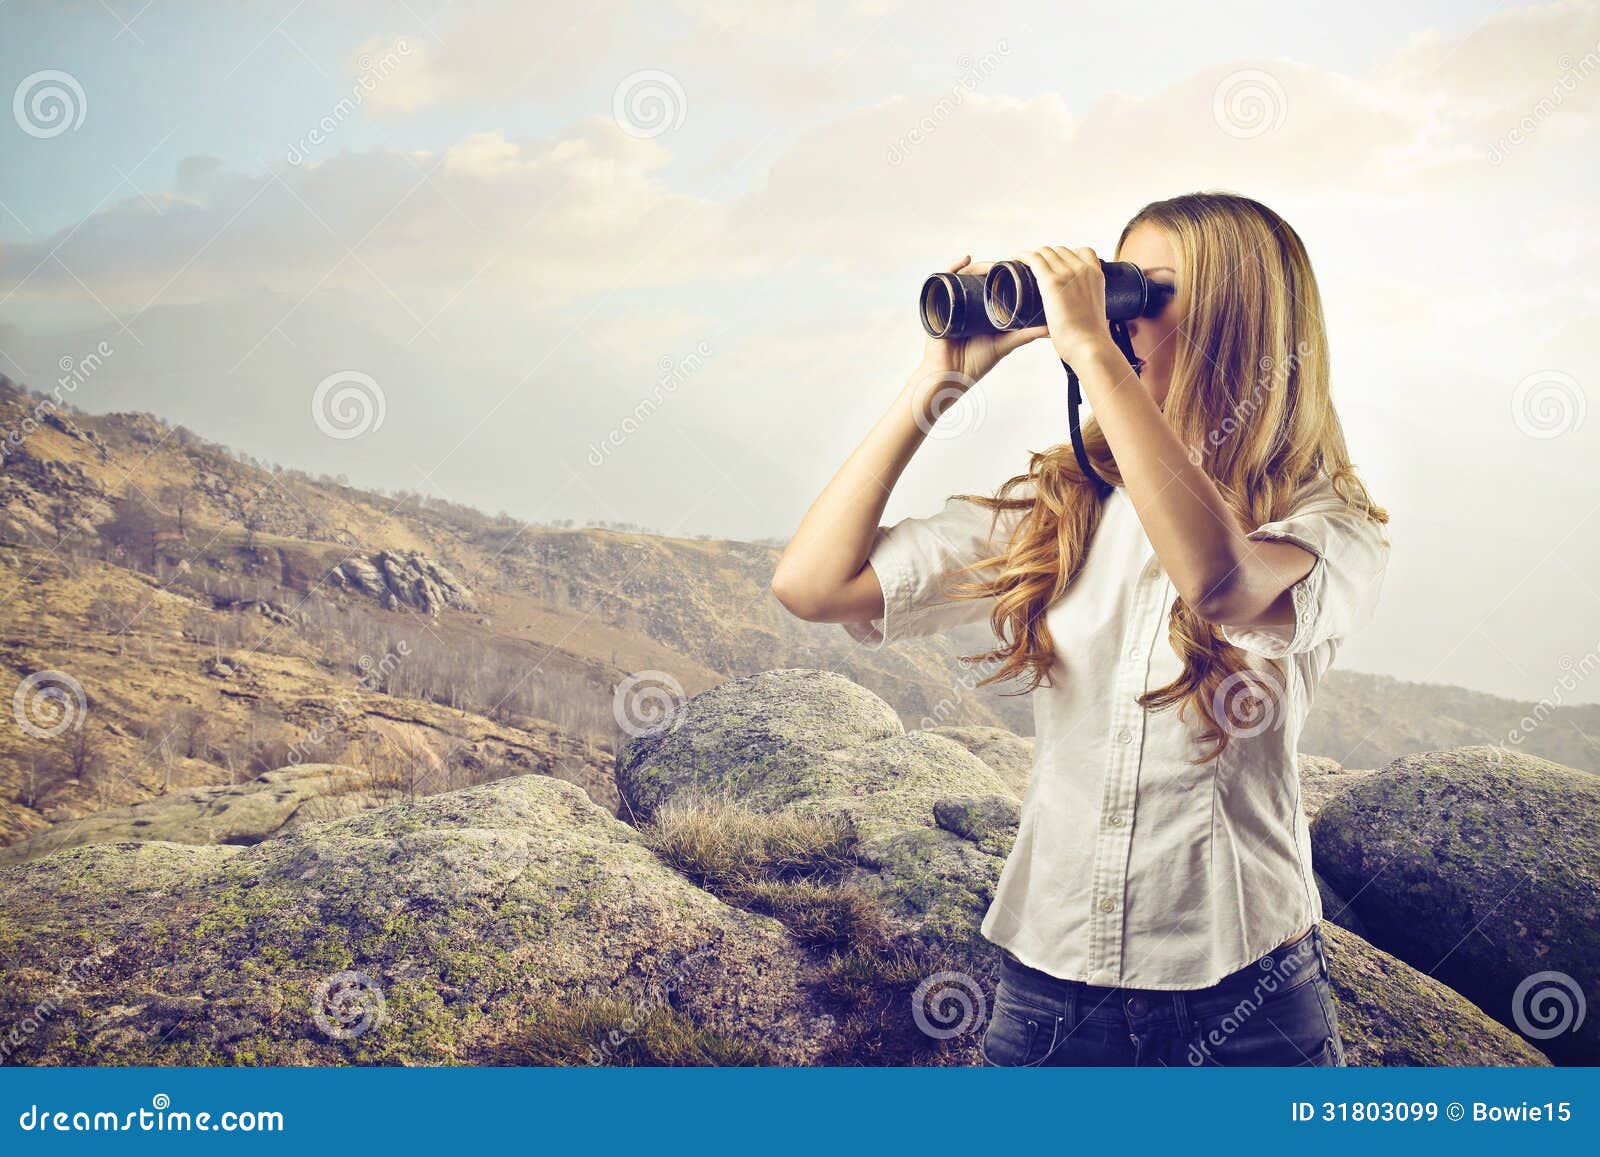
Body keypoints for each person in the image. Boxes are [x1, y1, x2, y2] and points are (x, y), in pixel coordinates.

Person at [770, 191, 1390, 1067]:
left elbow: (1220, 584)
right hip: (1051, 978)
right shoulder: (1067, 505)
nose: (1115, 315)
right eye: (1115, 285)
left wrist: (1093, 349)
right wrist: (936, 379)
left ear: (1239, 321)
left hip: (1243, 986)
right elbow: (812, 583)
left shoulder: (1329, 525)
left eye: (1146, 293)